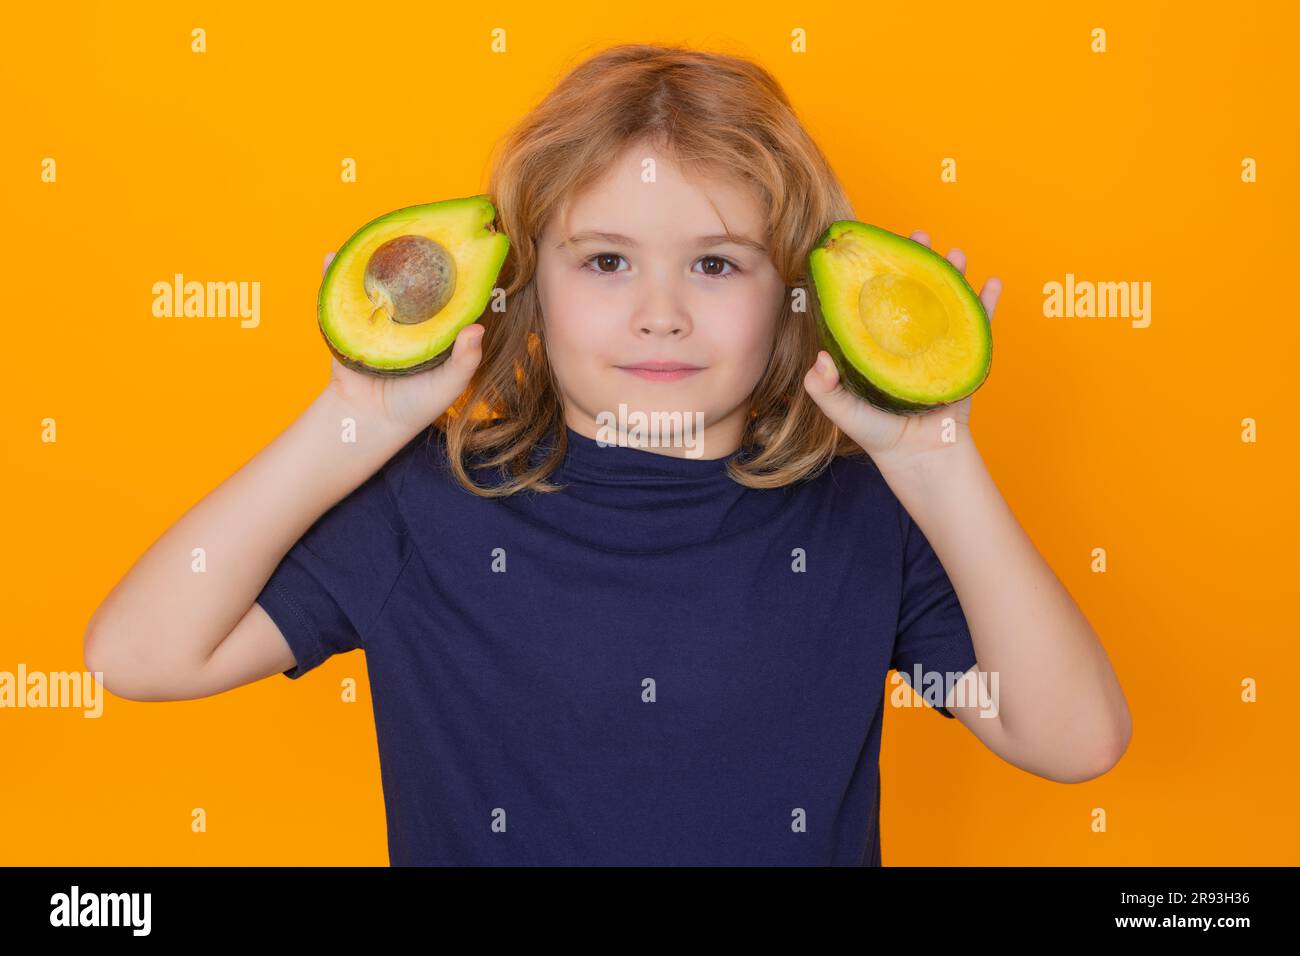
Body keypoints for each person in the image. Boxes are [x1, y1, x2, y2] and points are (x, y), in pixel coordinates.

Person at [84, 43, 1131, 866]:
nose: (659, 315)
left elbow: (1073, 739)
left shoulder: (862, 516)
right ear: (529, 282)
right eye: (607, 261)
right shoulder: (423, 507)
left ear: (794, 296)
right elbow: (137, 655)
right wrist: (350, 419)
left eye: (716, 263)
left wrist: (940, 464)